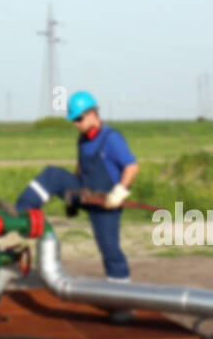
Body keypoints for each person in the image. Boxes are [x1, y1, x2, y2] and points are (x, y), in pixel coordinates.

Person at [16, 90, 139, 281]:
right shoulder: (82, 140)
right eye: (74, 120)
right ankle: (21, 212)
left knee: (109, 249)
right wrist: (71, 196)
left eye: (79, 119)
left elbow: (131, 167)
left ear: (92, 114)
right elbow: (82, 166)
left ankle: (122, 298)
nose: (76, 124)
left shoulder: (111, 138)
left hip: (106, 203)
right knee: (52, 175)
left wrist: (119, 193)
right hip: (84, 193)